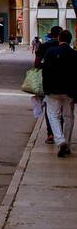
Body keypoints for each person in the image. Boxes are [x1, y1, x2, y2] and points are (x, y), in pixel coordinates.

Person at [41, 27, 77, 158]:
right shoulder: (74, 54)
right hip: (69, 92)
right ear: (70, 40)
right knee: (69, 117)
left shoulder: (50, 52)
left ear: (60, 39)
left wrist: (45, 90)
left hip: (52, 91)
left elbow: (44, 72)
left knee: (53, 116)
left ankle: (60, 140)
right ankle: (66, 143)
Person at [35, 27, 62, 143]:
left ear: (51, 35)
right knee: (63, 111)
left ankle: (50, 134)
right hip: (63, 81)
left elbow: (36, 63)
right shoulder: (64, 47)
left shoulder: (44, 46)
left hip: (48, 81)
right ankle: (61, 133)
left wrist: (43, 67)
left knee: (50, 109)